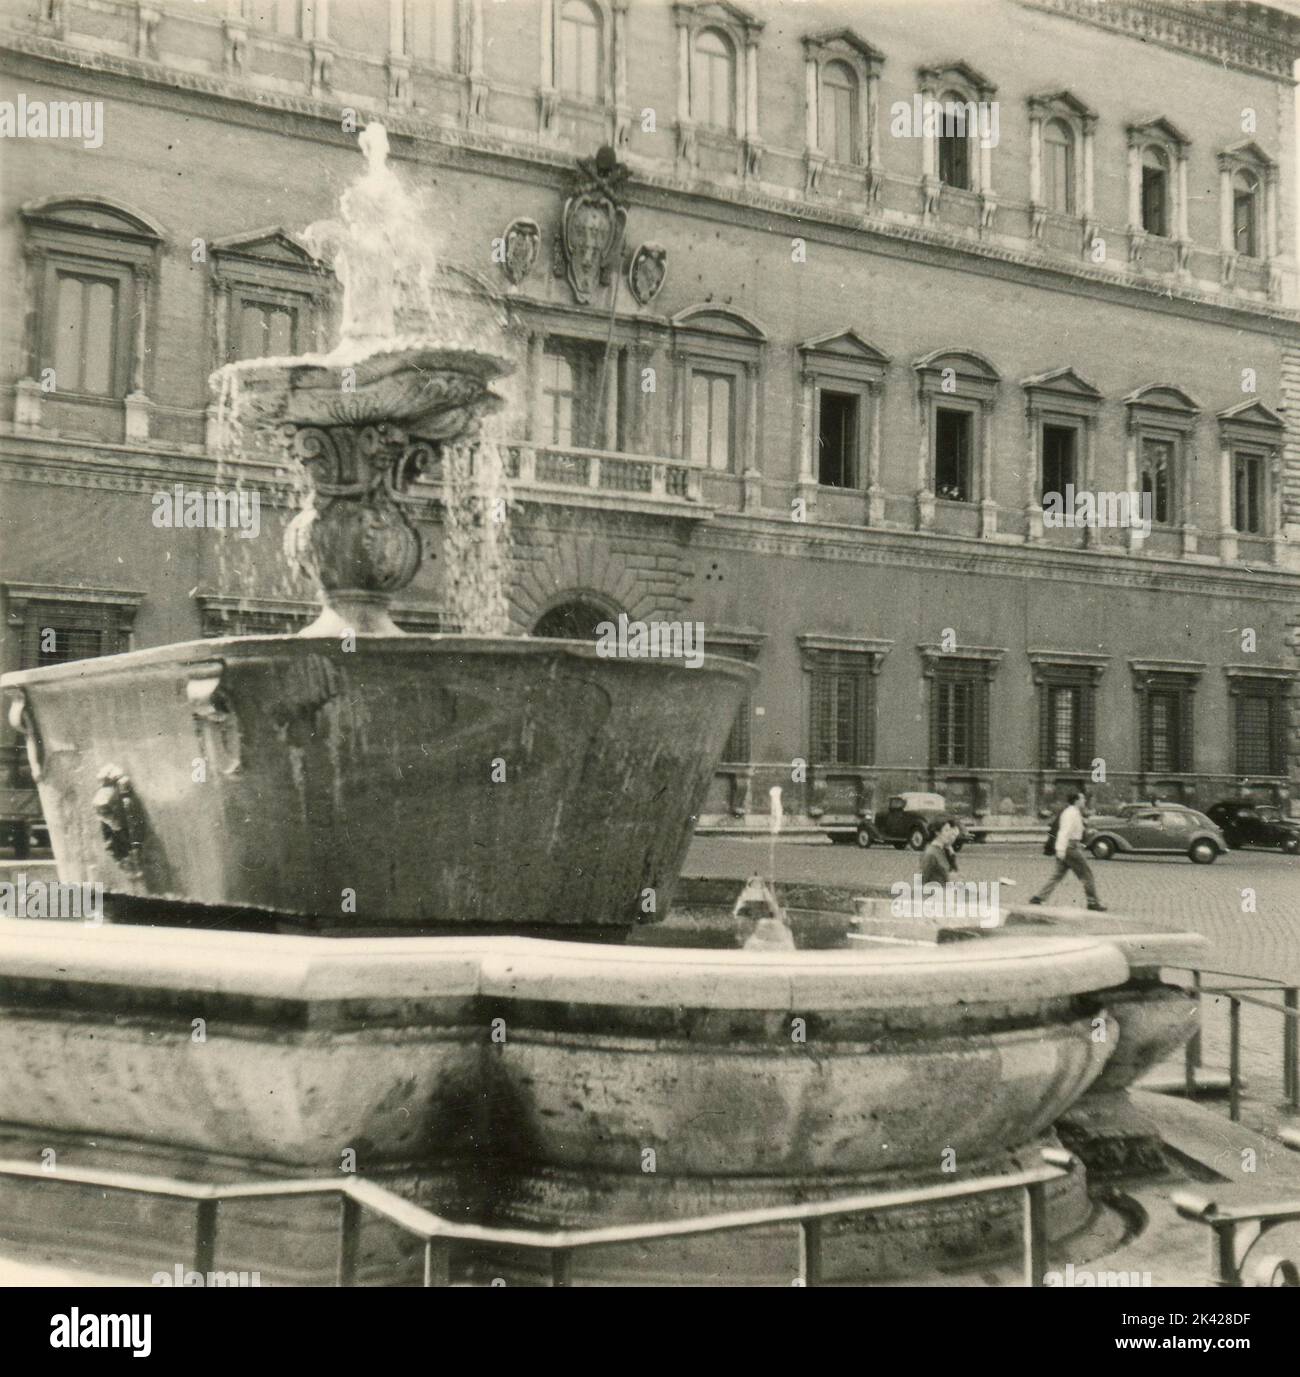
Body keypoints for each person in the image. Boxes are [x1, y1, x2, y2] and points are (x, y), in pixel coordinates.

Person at [1029, 790, 1106, 911]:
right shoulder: (1071, 813)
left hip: (1067, 847)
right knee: (1087, 874)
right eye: (1082, 799)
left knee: (1057, 875)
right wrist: (1060, 849)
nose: (1084, 801)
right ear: (1076, 801)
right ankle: (1093, 902)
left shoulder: (1073, 812)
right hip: (1069, 848)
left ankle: (1039, 897)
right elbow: (1064, 832)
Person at [919, 816, 961, 888]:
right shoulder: (930, 853)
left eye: (950, 830)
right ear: (937, 832)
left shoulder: (944, 850)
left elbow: (953, 873)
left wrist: (952, 855)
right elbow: (923, 881)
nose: (950, 834)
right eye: (946, 830)